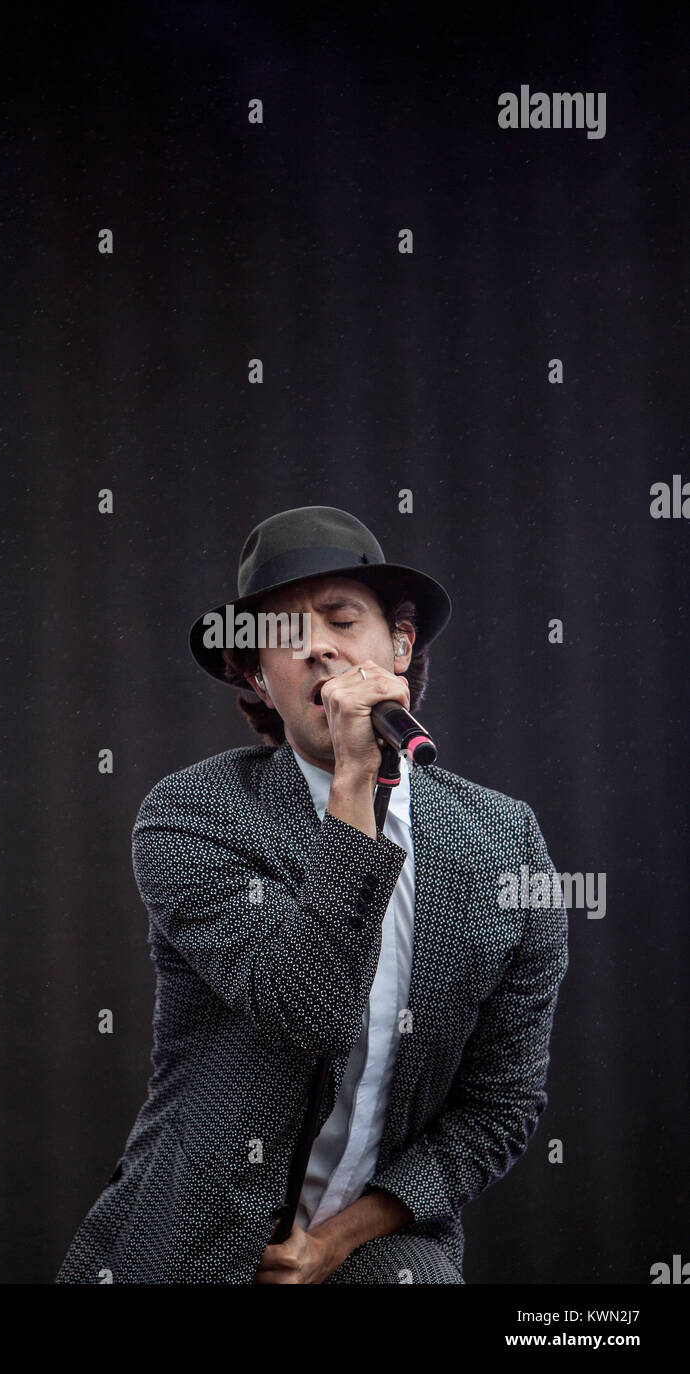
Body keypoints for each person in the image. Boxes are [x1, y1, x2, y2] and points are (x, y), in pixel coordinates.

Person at [55, 505, 569, 1284]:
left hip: (376, 1250)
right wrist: (357, 782)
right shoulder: (195, 813)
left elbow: (499, 1106)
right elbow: (311, 1009)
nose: (319, 646)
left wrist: (337, 1240)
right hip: (187, 1241)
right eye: (287, 635)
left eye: (340, 620)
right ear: (260, 676)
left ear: (398, 644)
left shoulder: (505, 842)